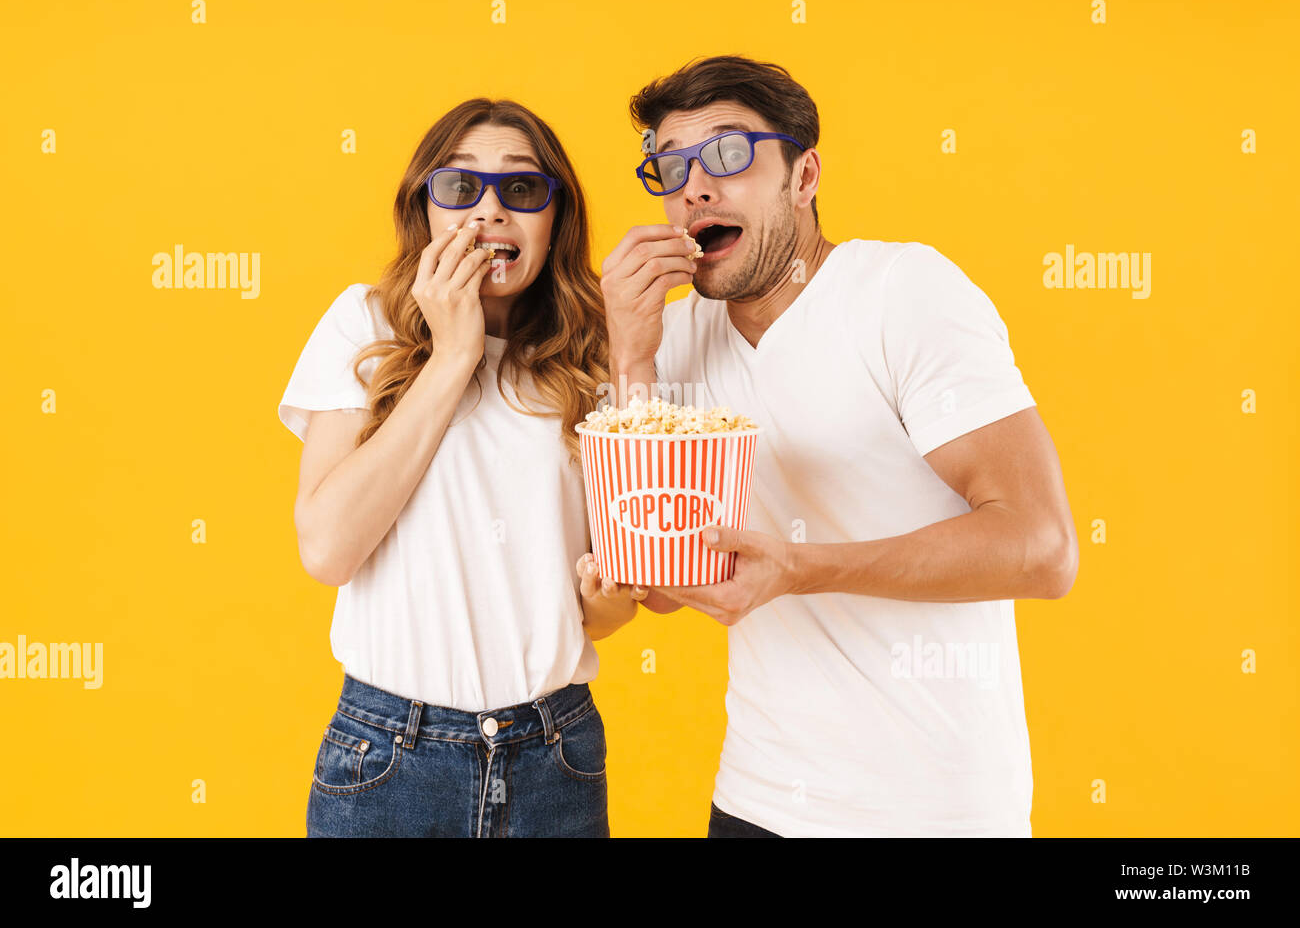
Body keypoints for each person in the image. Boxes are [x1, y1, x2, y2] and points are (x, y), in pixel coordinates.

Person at [600, 55, 1079, 837]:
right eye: (671, 166)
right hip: (755, 801)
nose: (694, 187)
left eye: (727, 154)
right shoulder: (670, 340)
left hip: (933, 816)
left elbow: (1043, 545)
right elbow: (656, 573)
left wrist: (801, 569)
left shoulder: (903, 293)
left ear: (804, 175)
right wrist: (629, 357)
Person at [278, 99, 643, 837]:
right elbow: (327, 547)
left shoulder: (592, 361)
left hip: (555, 756)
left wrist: (607, 594)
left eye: (520, 190)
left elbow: (608, 611)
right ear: (426, 210)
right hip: (389, 759)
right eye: (459, 188)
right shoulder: (364, 325)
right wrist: (453, 356)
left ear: (553, 217)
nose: (489, 211)